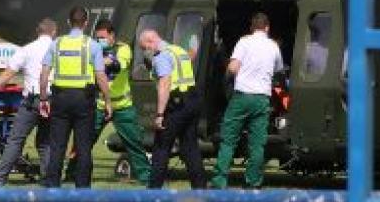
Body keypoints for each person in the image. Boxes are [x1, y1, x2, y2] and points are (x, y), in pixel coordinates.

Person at [38, 7, 113, 188]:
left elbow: (44, 73)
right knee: (83, 147)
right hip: (84, 99)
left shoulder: (57, 44)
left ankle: (52, 186)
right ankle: (82, 188)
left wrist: (43, 99)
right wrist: (108, 101)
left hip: (60, 98)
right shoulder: (92, 46)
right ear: (87, 23)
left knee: (57, 146)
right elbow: (101, 76)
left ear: (68, 22)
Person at [211, 12, 284, 188]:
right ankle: (253, 181)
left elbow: (234, 68)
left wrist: (226, 76)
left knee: (228, 140)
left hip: (241, 97)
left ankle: (220, 181)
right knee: (257, 144)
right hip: (262, 99)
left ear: (252, 27)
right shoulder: (274, 47)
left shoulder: (244, 42)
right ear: (267, 28)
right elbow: (279, 70)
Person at [0, 18, 57, 185]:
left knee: (16, 140)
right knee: (45, 142)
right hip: (52, 100)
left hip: (32, 100)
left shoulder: (27, 49)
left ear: (38, 32)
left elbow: (8, 73)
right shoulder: (58, 49)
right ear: (54, 32)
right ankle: (49, 181)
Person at [138, 28, 206, 188]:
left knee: (161, 147)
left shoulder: (162, 56)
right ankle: (200, 188)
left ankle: (153, 190)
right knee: (190, 147)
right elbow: (190, 57)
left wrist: (160, 114)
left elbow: (165, 83)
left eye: (144, 48)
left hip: (176, 104)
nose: (145, 52)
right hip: (193, 101)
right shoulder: (178, 50)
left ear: (150, 42)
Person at [90, 21, 151, 184]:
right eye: (97, 38)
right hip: (100, 105)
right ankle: (72, 174)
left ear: (112, 35)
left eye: (102, 37)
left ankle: (146, 177)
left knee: (134, 142)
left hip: (122, 106)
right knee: (85, 141)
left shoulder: (123, 49)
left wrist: (97, 61)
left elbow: (117, 65)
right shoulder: (94, 49)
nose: (99, 40)